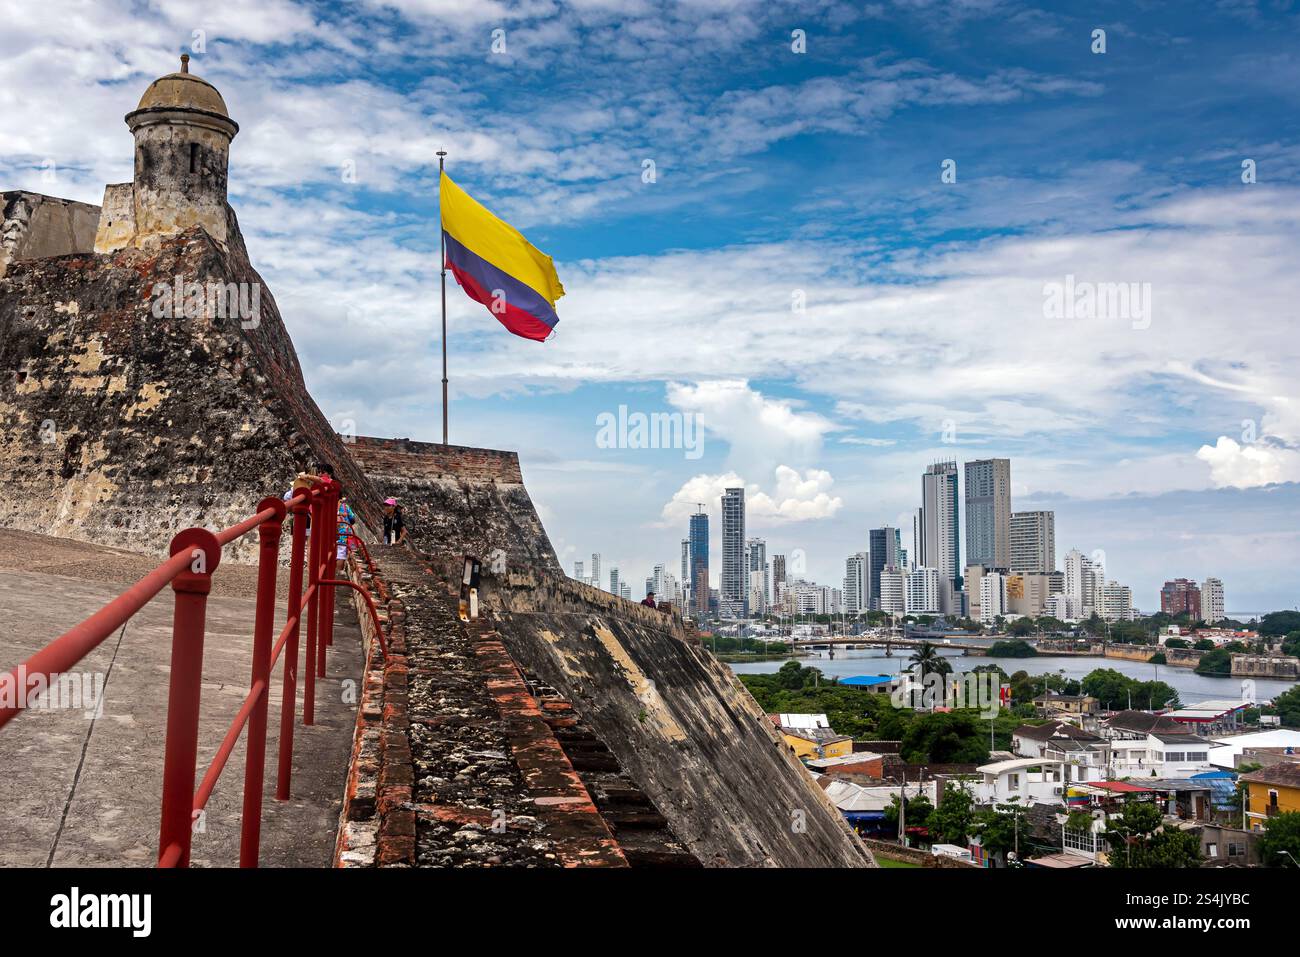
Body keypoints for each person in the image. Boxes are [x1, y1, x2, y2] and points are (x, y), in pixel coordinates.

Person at [336, 493, 356, 561]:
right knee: (341, 555)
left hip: (331, 536)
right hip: (344, 535)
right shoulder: (345, 507)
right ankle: (338, 571)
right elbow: (352, 518)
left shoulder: (328, 507)